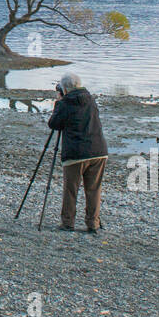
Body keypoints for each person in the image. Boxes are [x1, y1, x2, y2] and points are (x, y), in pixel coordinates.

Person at [48, 72, 108, 233]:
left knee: (71, 189)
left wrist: (58, 103)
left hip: (76, 153)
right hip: (98, 150)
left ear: (65, 89)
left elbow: (54, 124)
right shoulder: (90, 99)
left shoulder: (65, 103)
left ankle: (68, 223)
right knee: (94, 189)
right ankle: (93, 224)